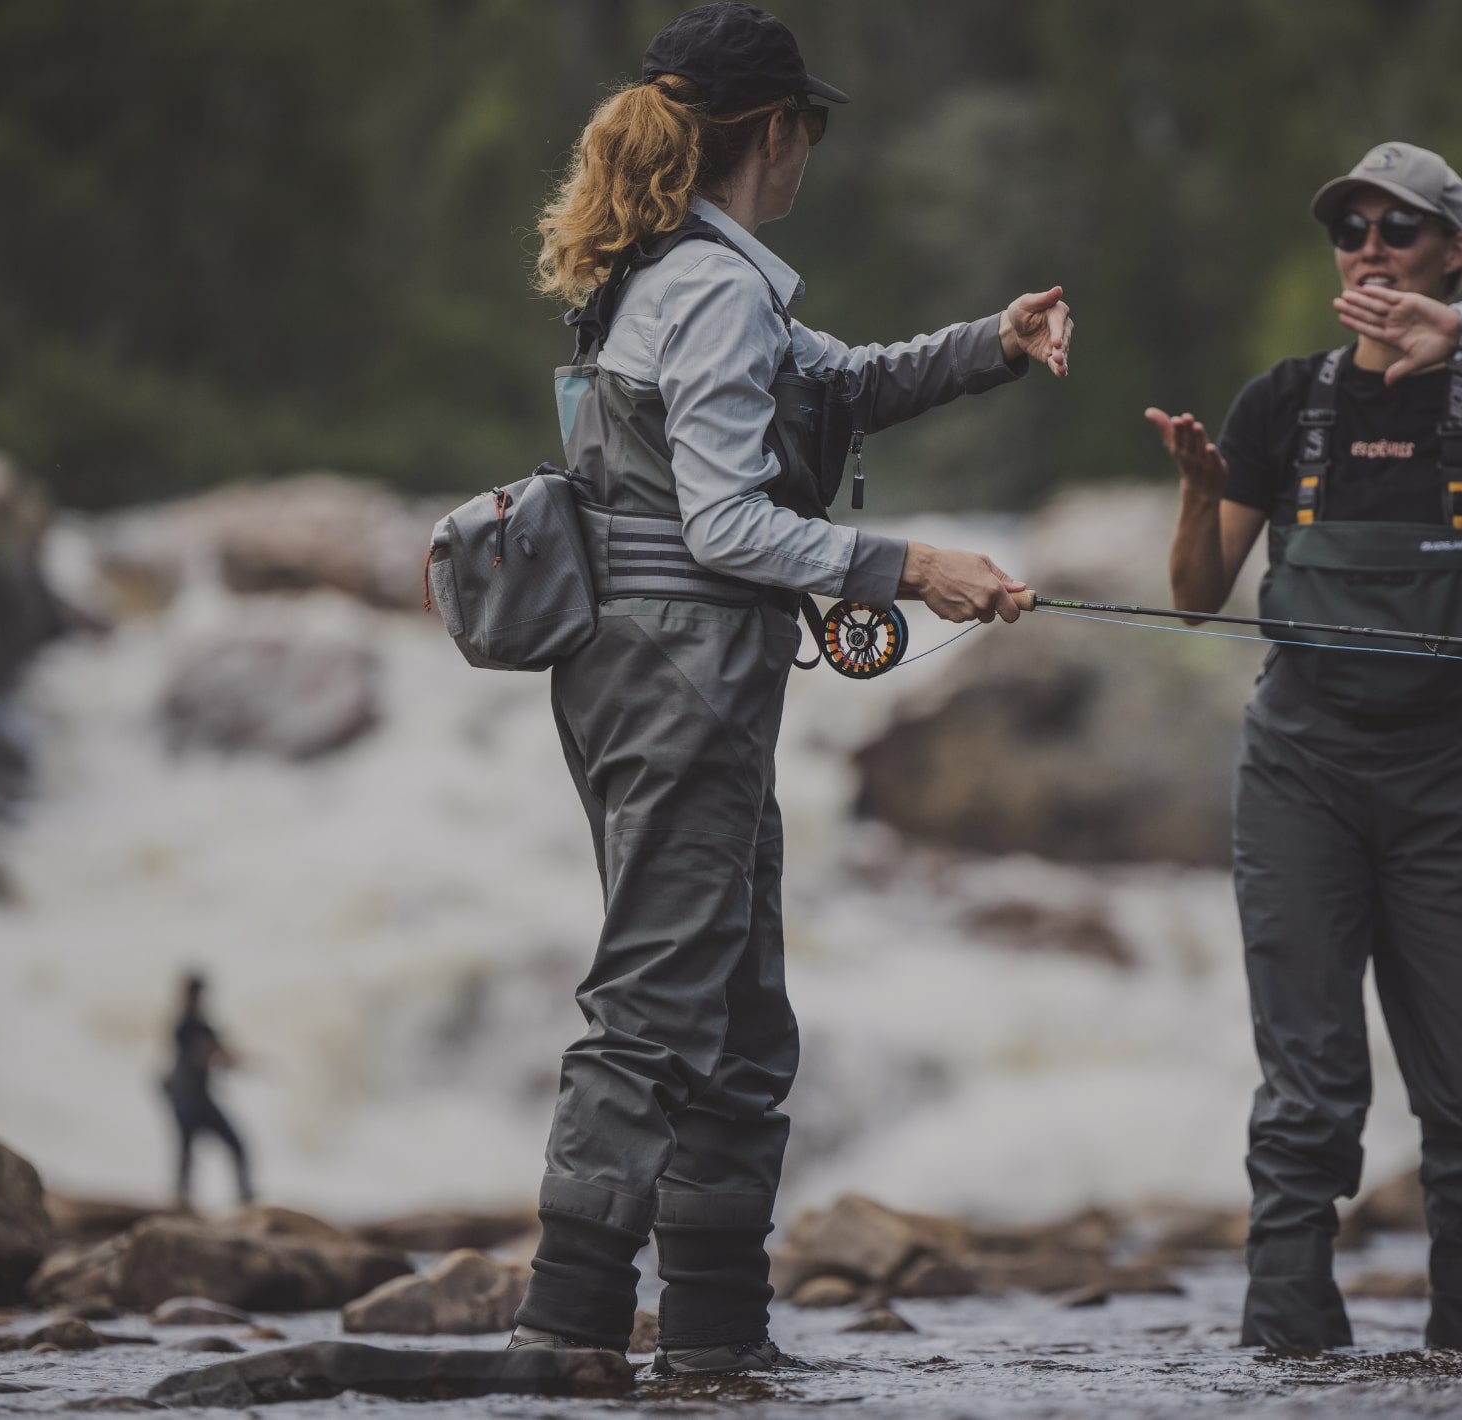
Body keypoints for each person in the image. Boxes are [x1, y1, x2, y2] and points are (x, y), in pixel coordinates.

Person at [508, 3, 1070, 1375]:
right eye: (810, 125)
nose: (812, 146)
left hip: (669, 678)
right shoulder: (705, 290)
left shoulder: (679, 275)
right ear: (779, 132)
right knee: (654, 1009)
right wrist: (912, 564)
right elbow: (727, 529)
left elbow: (845, 385)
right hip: (677, 681)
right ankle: (562, 1336)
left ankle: (716, 1346)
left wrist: (994, 342)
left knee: (743, 1024)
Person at [1148, 142, 1462, 1351]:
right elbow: (1195, 598)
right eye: (1352, 229)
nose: (1370, 247)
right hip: (1299, 774)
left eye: (1400, 228)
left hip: (1451, 777)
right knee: (1310, 1096)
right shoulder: (1283, 400)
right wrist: (1196, 488)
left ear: (1452, 250)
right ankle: (1288, 1350)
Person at [164, 972, 252, 1210]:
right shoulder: (183, 1025)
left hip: (201, 1098)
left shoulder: (204, 1025)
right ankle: (182, 1202)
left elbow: (222, 1054)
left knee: (237, 1146)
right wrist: (219, 1057)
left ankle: (246, 1201)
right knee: (187, 1152)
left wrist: (242, 1061)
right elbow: (199, 1055)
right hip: (185, 1100)